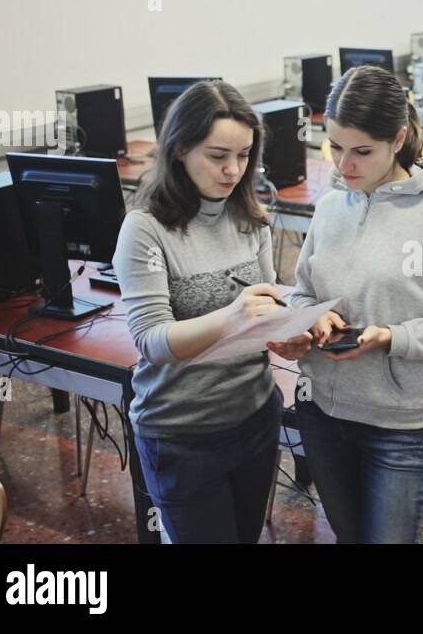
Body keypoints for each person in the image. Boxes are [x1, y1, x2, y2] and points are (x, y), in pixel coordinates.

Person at [290, 65, 423, 544]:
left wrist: (394, 339)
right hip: (323, 413)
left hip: (396, 426)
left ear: (399, 138)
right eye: (334, 147)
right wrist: (313, 316)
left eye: (362, 151)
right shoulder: (329, 206)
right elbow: (300, 291)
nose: (344, 165)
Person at [114, 80, 312, 544]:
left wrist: (290, 332)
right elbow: (152, 342)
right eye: (218, 156)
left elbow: (264, 313)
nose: (233, 170)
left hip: (255, 418)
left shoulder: (250, 217)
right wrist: (232, 317)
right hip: (183, 432)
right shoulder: (144, 229)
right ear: (180, 149)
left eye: (244, 156)